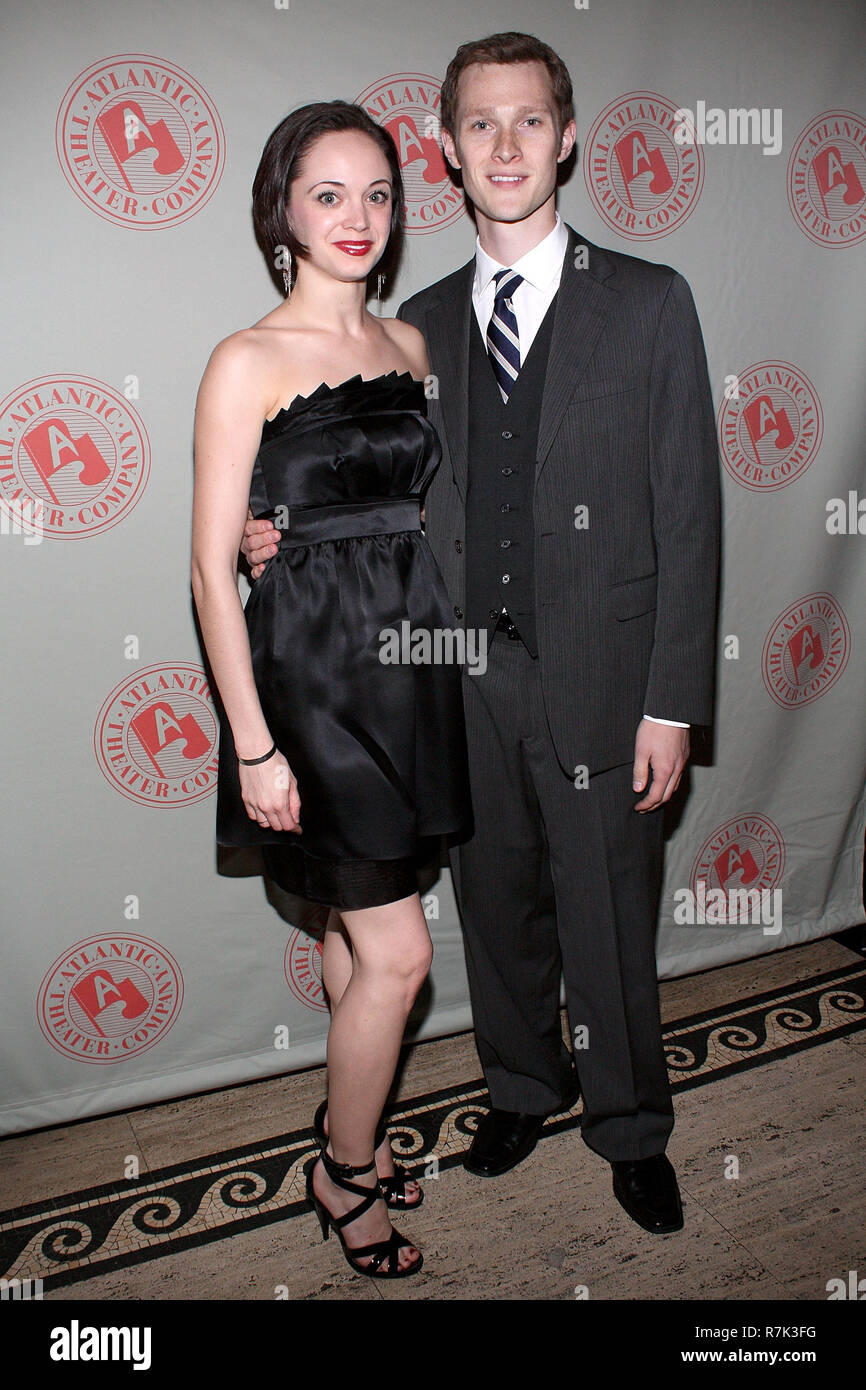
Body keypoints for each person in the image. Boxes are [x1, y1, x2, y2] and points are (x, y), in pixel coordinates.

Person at [241, 32, 721, 1236]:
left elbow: (690, 511)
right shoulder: (419, 325)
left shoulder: (653, 303)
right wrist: (277, 534)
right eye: (477, 124)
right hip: (451, 675)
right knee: (497, 905)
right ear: (446, 150)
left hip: (609, 681)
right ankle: (519, 1084)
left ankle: (626, 1124)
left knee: (607, 915)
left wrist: (671, 699)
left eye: (527, 120)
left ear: (565, 138)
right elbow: (372, 483)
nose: (504, 144)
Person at [191, 100, 473, 1278]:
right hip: (307, 686)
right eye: (327, 194)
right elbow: (210, 566)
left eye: (377, 195)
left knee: (361, 945)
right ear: (281, 211)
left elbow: (410, 515)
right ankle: (344, 1174)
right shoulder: (245, 360)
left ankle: (339, 1123)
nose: (356, 218)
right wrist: (255, 747)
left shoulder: (410, 347)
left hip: (408, 670)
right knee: (401, 956)